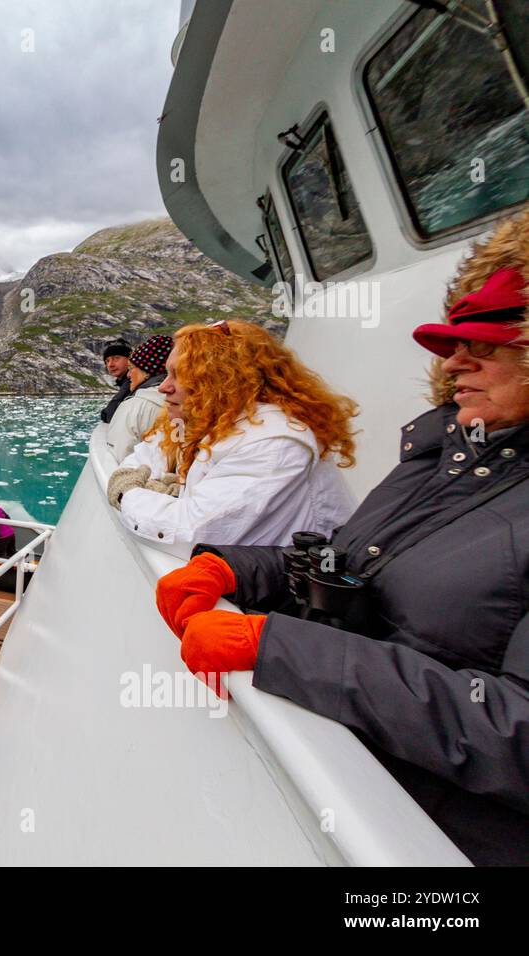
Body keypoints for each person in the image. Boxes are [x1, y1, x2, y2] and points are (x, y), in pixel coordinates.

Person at [157, 254, 529, 864]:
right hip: (336, 768)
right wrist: (233, 569)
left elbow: (514, 734)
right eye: (456, 343)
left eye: (488, 345)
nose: (456, 361)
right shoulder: (439, 461)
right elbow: (343, 562)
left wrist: (281, 647)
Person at [107, 320, 357, 549]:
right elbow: (145, 457)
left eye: (178, 375)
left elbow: (190, 531)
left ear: (223, 379)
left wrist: (129, 493)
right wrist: (163, 490)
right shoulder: (207, 422)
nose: (163, 386)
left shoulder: (273, 443)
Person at [106, 333, 174, 461]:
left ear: (147, 370)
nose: (128, 375)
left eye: (132, 368)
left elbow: (118, 456)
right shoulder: (185, 401)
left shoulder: (134, 406)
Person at [98, 341, 134, 424]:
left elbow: (109, 413)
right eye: (107, 361)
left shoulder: (131, 382)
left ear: (130, 360)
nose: (110, 364)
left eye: (116, 358)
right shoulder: (125, 382)